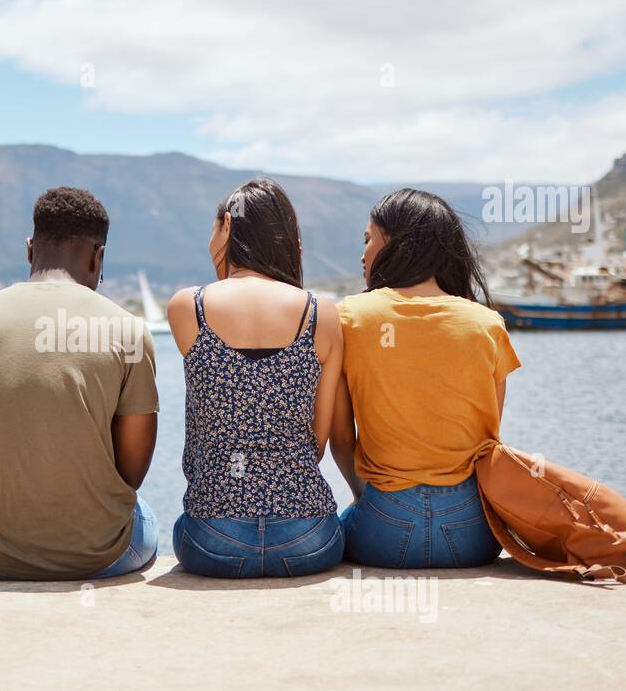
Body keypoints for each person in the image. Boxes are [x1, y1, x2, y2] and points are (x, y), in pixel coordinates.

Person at [0, 187, 160, 580]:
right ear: (98, 256)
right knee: (146, 513)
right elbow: (130, 476)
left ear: (29, 249)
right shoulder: (129, 332)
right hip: (98, 556)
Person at [330, 188, 520, 569]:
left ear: (397, 243)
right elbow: (489, 439)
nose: (363, 253)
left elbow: (342, 439)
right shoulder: (485, 324)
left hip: (383, 532)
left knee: (331, 531)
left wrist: (361, 495)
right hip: (474, 536)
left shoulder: (350, 318)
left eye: (369, 239)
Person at [166, 177, 345, 577]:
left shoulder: (186, 308)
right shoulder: (323, 315)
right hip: (309, 538)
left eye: (214, 229)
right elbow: (316, 446)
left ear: (227, 225)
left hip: (212, 539)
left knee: (179, 526)